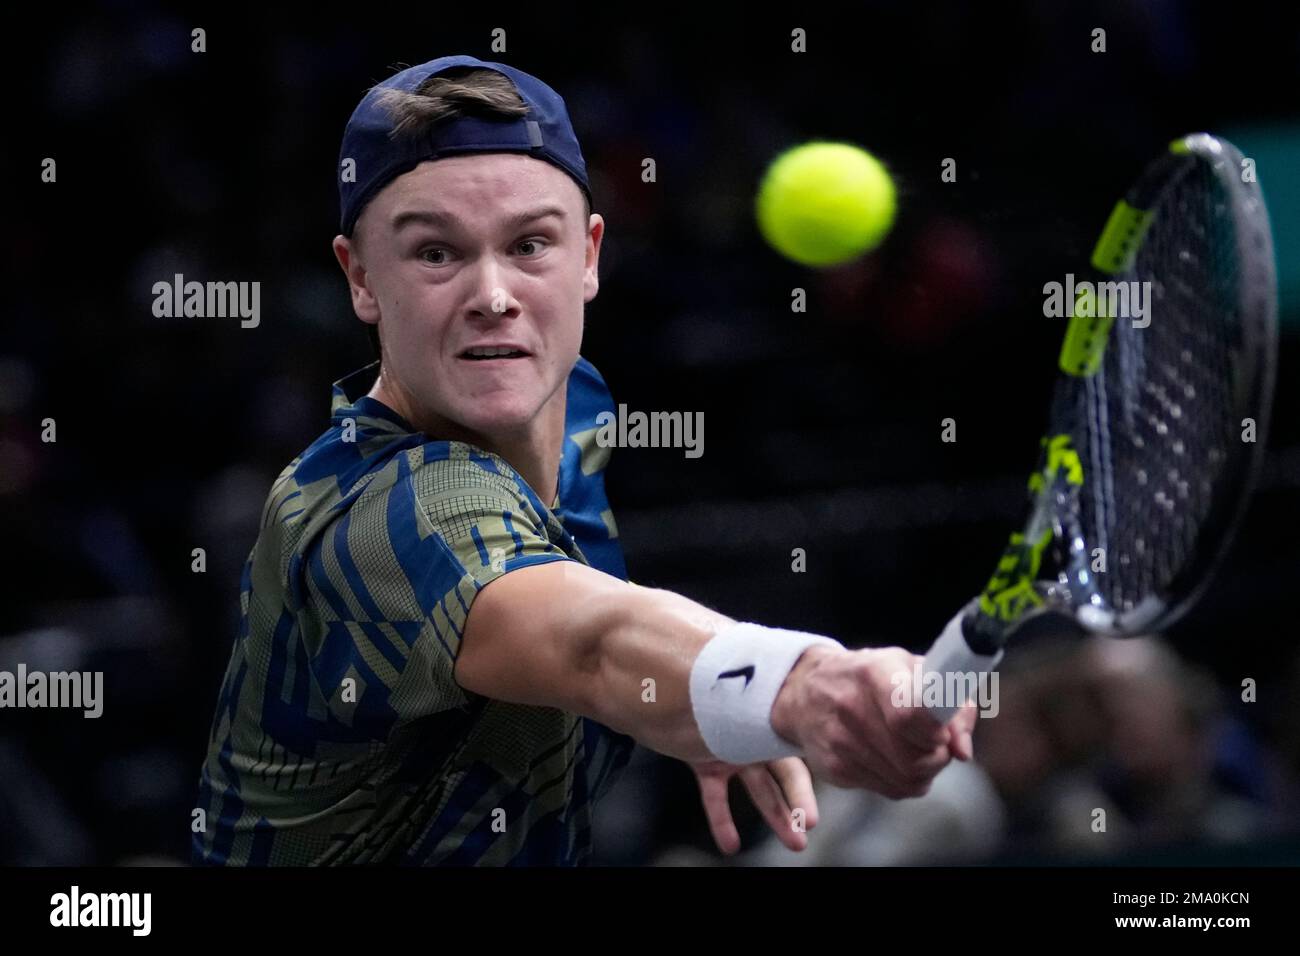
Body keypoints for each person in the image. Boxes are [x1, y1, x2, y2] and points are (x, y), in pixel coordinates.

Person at [192, 54, 977, 866]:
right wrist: (798, 683)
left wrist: (696, 701)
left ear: (590, 255)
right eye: (435, 254)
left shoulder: (573, 409)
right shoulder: (377, 515)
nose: (493, 294)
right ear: (359, 277)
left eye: (531, 243)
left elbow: (580, 612)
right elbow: (590, 646)